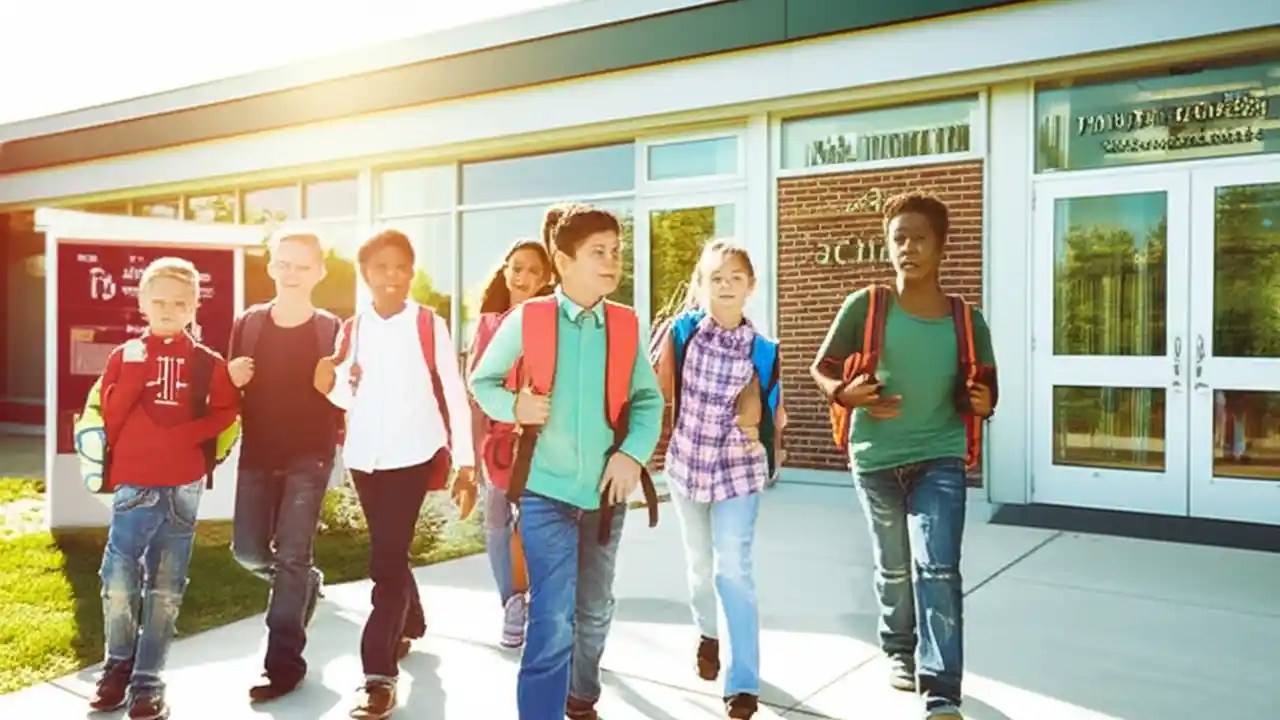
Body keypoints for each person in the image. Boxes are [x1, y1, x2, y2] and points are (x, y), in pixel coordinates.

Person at [469, 204, 664, 720]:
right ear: (564, 259)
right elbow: (482, 381)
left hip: (606, 495)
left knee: (594, 612)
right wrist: (515, 407)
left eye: (616, 252)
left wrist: (630, 455)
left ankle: (581, 698)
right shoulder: (528, 317)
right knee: (552, 618)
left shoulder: (624, 324)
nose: (611, 261)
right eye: (598, 252)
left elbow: (648, 401)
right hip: (545, 494)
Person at [810, 193, 997, 720]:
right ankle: (898, 648)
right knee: (894, 567)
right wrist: (842, 394)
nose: (907, 247)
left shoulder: (967, 320)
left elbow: (987, 388)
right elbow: (821, 367)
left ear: (941, 247)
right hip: (875, 458)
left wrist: (986, 401)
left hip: (940, 454)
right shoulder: (866, 306)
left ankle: (941, 691)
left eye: (918, 237)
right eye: (898, 238)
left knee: (937, 569)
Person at [315, 229, 477, 720]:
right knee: (393, 551)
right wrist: (328, 386)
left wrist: (466, 463)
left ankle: (377, 677)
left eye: (401, 267)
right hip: (366, 459)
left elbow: (454, 392)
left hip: (414, 455)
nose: (392, 275)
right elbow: (350, 397)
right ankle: (413, 621)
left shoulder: (429, 324)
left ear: (411, 273)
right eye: (381, 267)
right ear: (365, 274)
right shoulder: (353, 328)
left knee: (384, 563)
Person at [88, 257, 240, 720]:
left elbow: (227, 411)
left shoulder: (207, 362)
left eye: (180, 302)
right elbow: (111, 420)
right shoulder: (124, 355)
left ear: (195, 306)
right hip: (135, 483)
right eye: (159, 302)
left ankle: (147, 683)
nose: (169, 309)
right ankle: (118, 666)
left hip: (183, 487)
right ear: (142, 304)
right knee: (118, 578)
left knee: (166, 588)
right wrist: (133, 374)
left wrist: (185, 436)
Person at [652, 240, 784, 720]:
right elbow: (651, 389)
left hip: (738, 471)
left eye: (735, 277)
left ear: (750, 286)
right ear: (700, 285)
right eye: (715, 277)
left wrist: (765, 422)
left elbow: (775, 414)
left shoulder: (765, 350)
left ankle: (742, 682)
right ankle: (708, 632)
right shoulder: (681, 334)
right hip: (688, 465)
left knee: (734, 569)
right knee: (700, 566)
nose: (725, 286)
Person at [226, 231, 342, 701]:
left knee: (292, 552)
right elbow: (232, 385)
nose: (292, 274)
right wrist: (232, 377)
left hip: (310, 453)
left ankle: (282, 664)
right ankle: (306, 581)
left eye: (302, 265)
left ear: (319, 271)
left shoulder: (332, 329)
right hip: (258, 450)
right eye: (283, 264)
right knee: (248, 552)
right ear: (271, 267)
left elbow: (349, 391)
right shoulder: (248, 323)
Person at [468, 235, 555, 648]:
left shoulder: (551, 322)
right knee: (497, 523)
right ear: (505, 270)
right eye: (517, 268)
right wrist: (471, 456)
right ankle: (512, 603)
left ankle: (538, 600)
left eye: (534, 271)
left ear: (545, 280)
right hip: (496, 444)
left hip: (541, 440)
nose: (523, 277)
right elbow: (476, 393)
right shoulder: (486, 325)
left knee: (535, 525)